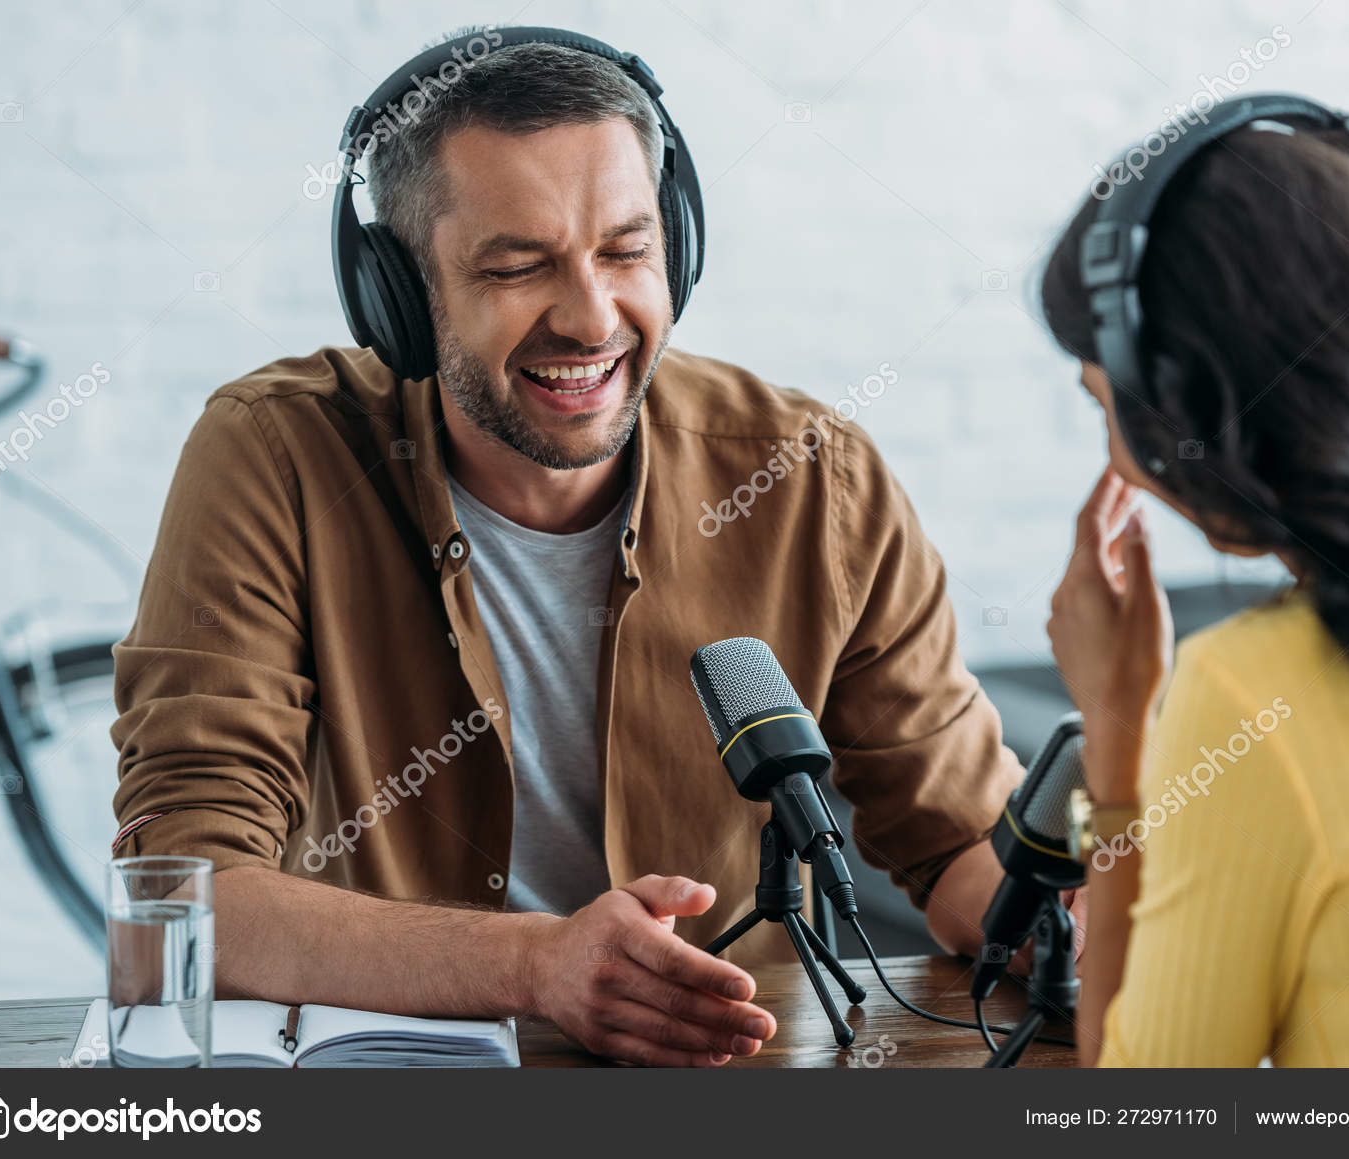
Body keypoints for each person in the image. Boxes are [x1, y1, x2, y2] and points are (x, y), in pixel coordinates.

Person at [110, 30, 1038, 1068]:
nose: (593, 319)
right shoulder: (276, 456)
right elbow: (182, 902)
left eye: (627, 251)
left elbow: (964, 849)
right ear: (400, 295)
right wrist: (536, 964)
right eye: (517, 266)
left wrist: (1072, 906)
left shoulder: (813, 479)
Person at [1039, 97, 1349, 1065]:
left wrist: (1118, 739)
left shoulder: (1252, 697)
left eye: (1105, 407)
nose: (1120, 464)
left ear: (1187, 398)